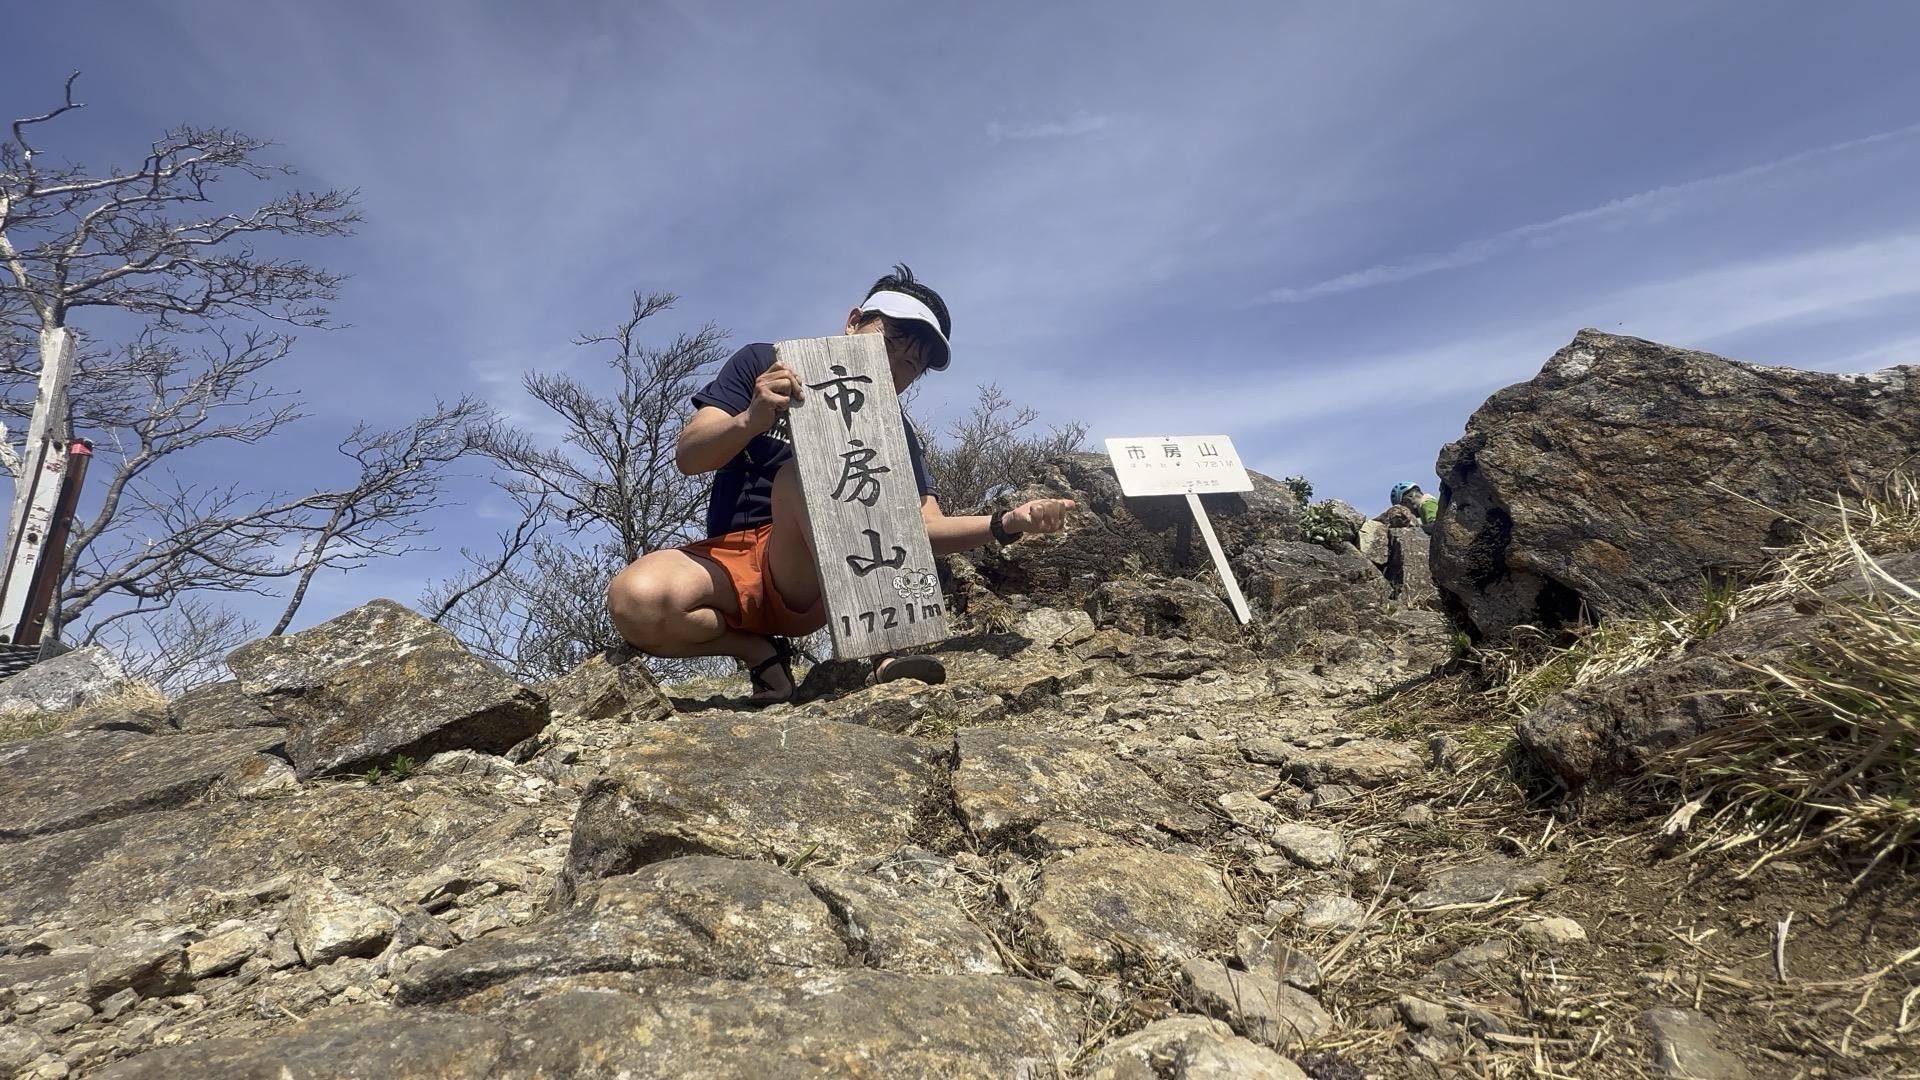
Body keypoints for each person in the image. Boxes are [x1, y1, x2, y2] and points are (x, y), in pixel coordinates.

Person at [608, 265, 1076, 704]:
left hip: (819, 575)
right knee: (637, 600)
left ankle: (884, 651)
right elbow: (690, 456)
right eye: (891, 345)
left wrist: (1007, 522)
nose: (898, 369)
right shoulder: (764, 363)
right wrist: (752, 417)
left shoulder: (897, 432)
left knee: (805, 477)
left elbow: (922, 530)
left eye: (914, 365)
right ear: (854, 322)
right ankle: (759, 652)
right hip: (734, 562)